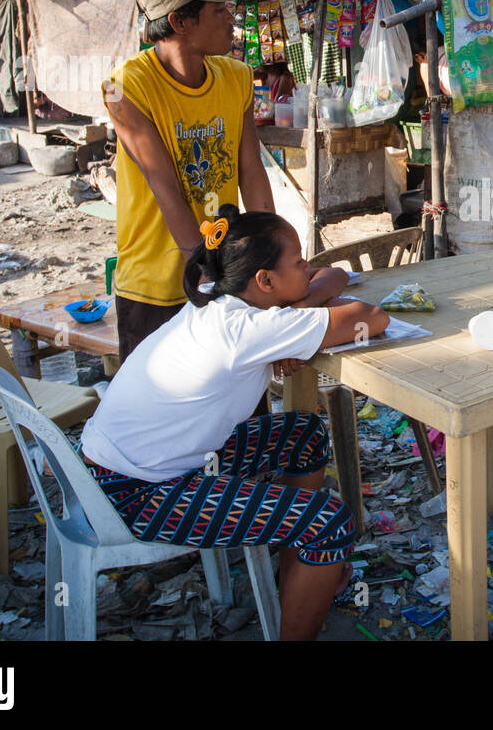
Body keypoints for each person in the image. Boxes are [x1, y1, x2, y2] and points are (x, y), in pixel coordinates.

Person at [80, 205, 389, 640]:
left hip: (108, 467)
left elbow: (332, 273)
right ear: (264, 281)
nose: (305, 266)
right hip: (137, 495)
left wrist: (297, 306)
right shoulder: (248, 330)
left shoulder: (218, 297)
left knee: (302, 434)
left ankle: (297, 573)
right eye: (296, 262)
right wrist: (296, 315)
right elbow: (371, 317)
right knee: (328, 520)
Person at [105, 0, 275, 362]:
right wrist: (210, 275)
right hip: (157, 288)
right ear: (180, 22)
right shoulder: (124, 87)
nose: (231, 18)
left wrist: (273, 252)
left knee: (240, 417)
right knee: (164, 415)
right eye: (219, 11)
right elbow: (167, 192)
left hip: (224, 273)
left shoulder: (235, 77)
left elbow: (251, 172)